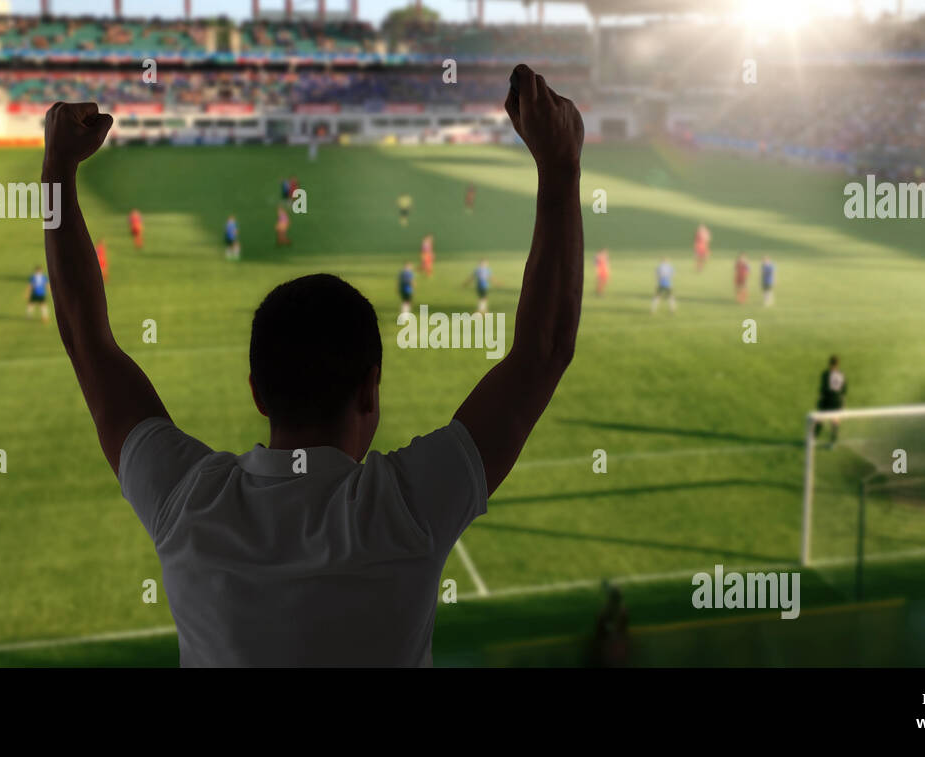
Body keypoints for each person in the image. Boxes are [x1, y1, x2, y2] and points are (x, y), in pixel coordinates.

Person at [38, 64, 583, 666]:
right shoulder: (403, 511)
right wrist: (559, 170)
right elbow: (545, 350)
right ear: (369, 391)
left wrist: (57, 169)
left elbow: (86, 339)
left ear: (257, 393)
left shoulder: (187, 504)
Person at [815, 355, 847, 449]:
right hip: (838, 400)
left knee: (820, 419)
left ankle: (813, 439)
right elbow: (844, 390)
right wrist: (843, 402)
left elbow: (823, 388)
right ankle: (833, 443)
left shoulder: (826, 374)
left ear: (829, 364)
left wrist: (820, 400)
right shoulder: (842, 374)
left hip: (828, 399)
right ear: (838, 364)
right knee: (835, 421)